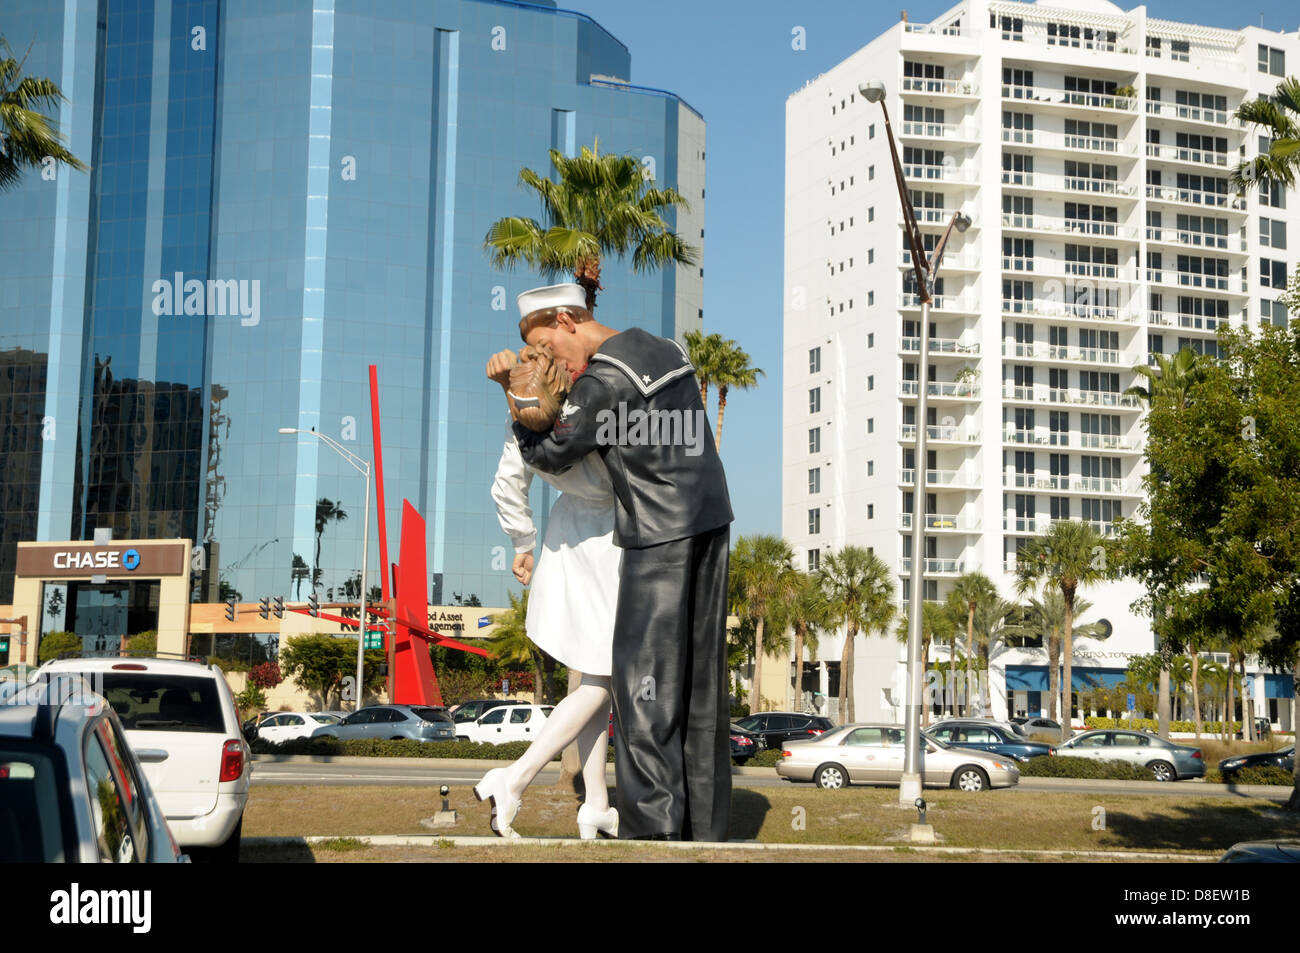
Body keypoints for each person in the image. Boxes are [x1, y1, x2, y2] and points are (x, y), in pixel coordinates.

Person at [488, 282, 734, 842]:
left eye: (549, 345)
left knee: (643, 684)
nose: (551, 362)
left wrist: (514, 396)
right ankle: (705, 828)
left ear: (571, 320)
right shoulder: (665, 348)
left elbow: (553, 450)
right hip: (710, 520)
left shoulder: (603, 381)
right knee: (699, 686)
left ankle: (653, 832)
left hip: (658, 535)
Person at [473, 341, 620, 840]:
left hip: (566, 544)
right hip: (609, 546)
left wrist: (524, 542)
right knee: (602, 681)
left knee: (601, 682)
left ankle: (596, 803)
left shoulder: (525, 435)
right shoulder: (586, 413)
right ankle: (513, 780)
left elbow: (504, 485)